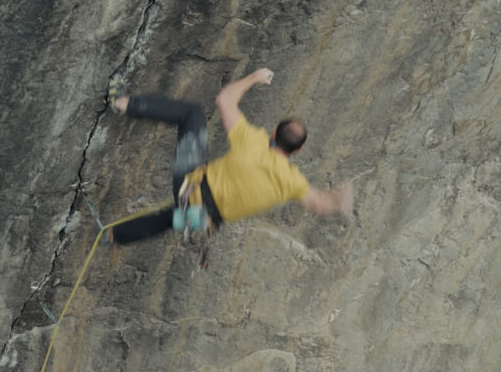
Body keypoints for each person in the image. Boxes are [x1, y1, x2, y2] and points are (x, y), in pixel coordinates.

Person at [107, 68, 352, 245]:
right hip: (201, 218)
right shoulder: (293, 181)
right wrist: (340, 200)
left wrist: (253, 78)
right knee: (170, 219)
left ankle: (121, 102)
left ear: (274, 133)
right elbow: (320, 204)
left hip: (187, 187)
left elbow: (224, 100)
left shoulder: (254, 141)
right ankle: (115, 235)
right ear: (297, 150)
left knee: (191, 113)